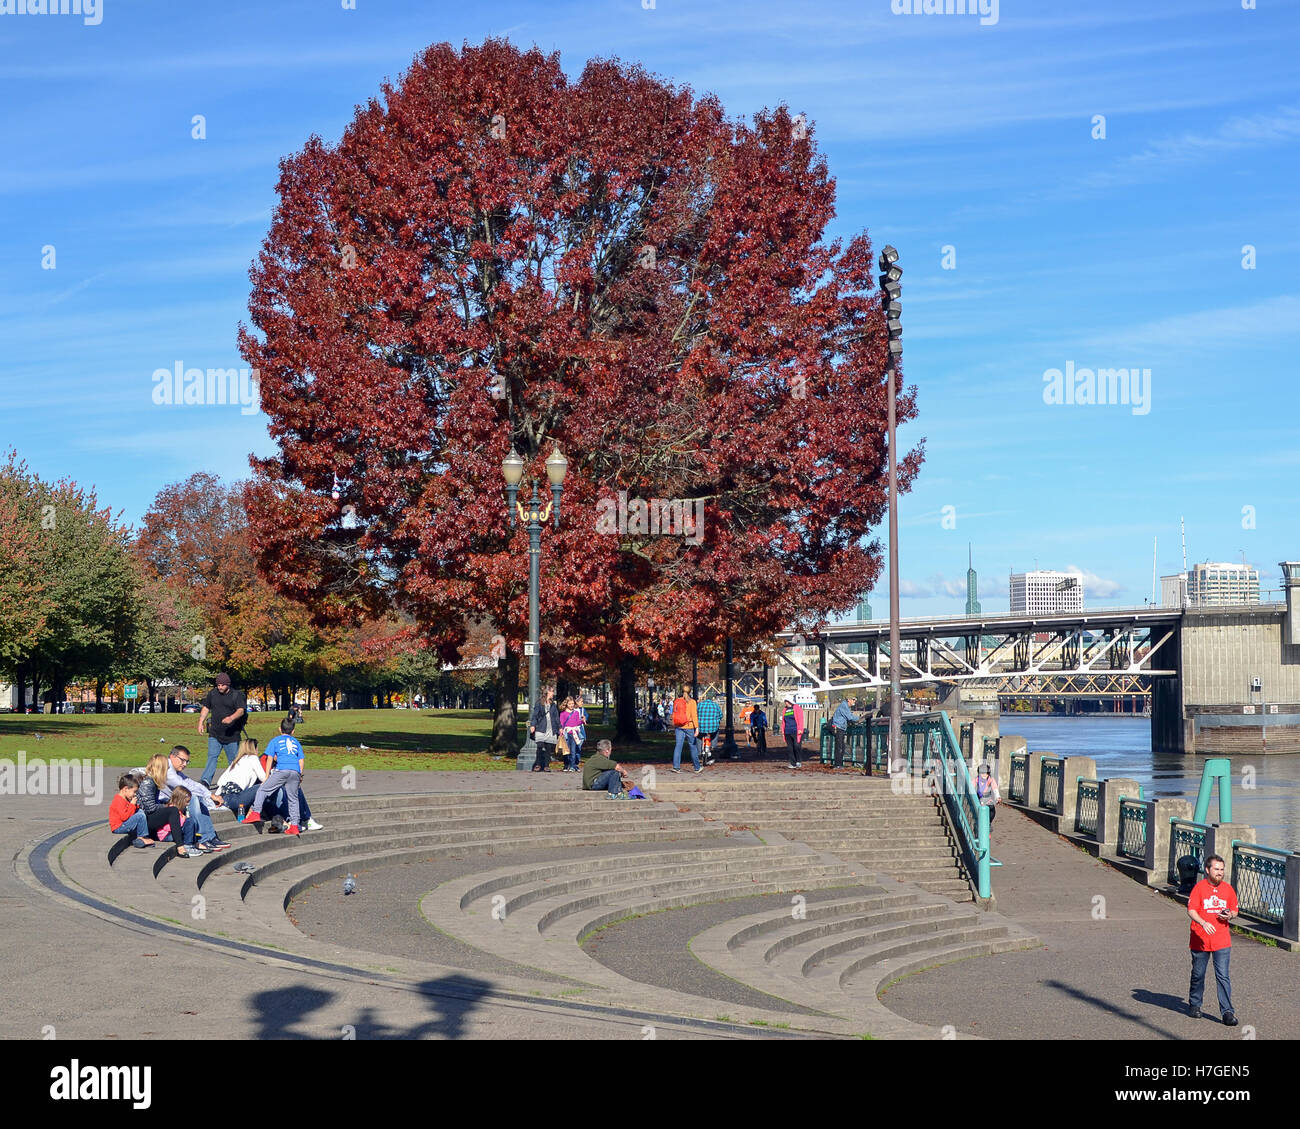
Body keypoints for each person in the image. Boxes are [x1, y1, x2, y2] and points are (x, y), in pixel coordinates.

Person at [1187, 854, 1239, 1025]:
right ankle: (1195, 1004)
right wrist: (1203, 922)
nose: (1220, 873)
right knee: (1198, 974)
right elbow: (1191, 910)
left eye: (1222, 869)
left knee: (1223, 976)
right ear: (1207, 870)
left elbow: (1235, 911)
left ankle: (1227, 1012)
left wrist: (1229, 915)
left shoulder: (1228, 889)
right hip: (1200, 939)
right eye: (1216, 869)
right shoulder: (1199, 888)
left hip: (1221, 940)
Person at [162, 744, 232, 851]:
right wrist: (209, 795)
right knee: (193, 797)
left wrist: (210, 795)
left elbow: (192, 783)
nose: (185, 764)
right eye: (182, 760)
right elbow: (184, 787)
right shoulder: (167, 770)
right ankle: (204, 838)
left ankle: (210, 837)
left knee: (199, 797)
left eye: (187, 761)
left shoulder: (176, 770)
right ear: (173, 756)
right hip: (163, 803)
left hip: (174, 801)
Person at [244, 718, 306, 835]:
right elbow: (301, 759)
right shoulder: (296, 742)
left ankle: (256, 812)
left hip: (281, 770)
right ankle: (294, 825)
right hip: (295, 771)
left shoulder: (275, 741)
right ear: (293, 731)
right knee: (293, 799)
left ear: (279, 729)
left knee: (263, 790)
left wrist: (267, 775)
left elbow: (270, 758)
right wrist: (300, 774)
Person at [136, 754, 200, 857]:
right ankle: (180, 846)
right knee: (173, 810)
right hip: (145, 820)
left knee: (177, 812)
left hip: (151, 815)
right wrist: (167, 806)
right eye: (167, 767)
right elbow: (150, 808)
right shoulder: (148, 782)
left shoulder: (154, 782)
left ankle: (187, 841)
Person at [198, 672, 247, 787]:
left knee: (233, 760)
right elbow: (206, 708)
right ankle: (205, 781)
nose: (220, 687)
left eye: (222, 685)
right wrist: (201, 722)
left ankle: (237, 781)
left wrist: (231, 718)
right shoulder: (213, 694)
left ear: (228, 685)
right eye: (218, 685)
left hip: (231, 734)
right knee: (212, 757)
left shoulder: (236, 695)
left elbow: (241, 710)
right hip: (215, 733)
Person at [108, 773, 155, 848]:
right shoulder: (119, 800)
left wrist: (135, 806)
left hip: (123, 824)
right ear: (126, 789)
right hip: (118, 827)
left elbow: (131, 812)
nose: (135, 794)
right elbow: (124, 817)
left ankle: (139, 837)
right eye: (134, 791)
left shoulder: (125, 798)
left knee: (140, 812)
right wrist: (132, 805)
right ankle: (141, 837)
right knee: (140, 815)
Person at [670, 684, 703, 775]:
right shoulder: (692, 702)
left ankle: (676, 767)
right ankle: (697, 767)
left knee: (678, 746)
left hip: (679, 726)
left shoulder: (677, 701)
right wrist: (697, 728)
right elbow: (694, 716)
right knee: (692, 746)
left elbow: (674, 713)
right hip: (689, 726)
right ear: (690, 692)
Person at [528, 685, 560, 772]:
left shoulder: (553, 704)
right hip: (541, 727)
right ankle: (538, 764)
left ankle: (546, 765)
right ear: (547, 692)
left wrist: (559, 727)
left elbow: (556, 717)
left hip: (550, 728)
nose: (553, 693)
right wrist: (533, 725)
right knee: (540, 746)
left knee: (548, 747)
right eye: (552, 691)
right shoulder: (539, 703)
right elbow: (535, 715)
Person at [829, 695, 859, 768]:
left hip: (840, 727)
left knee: (841, 746)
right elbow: (850, 717)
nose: (854, 701)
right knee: (839, 747)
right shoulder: (844, 706)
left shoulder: (845, 706)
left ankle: (839, 764)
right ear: (849, 699)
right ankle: (838, 764)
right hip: (838, 727)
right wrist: (860, 718)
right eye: (853, 699)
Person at [559, 696, 584, 773]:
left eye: (573, 704)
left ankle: (572, 765)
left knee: (573, 750)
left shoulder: (576, 713)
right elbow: (561, 723)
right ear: (566, 704)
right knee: (566, 750)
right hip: (566, 733)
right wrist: (561, 732)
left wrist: (582, 721)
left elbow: (577, 722)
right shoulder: (563, 713)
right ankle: (566, 764)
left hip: (574, 733)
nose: (572, 705)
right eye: (570, 704)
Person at [780, 696, 806, 769]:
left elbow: (800, 719)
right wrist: (782, 731)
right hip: (787, 731)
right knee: (790, 748)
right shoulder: (785, 709)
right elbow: (783, 721)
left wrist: (800, 729)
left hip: (796, 730)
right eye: (785, 701)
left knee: (797, 746)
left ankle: (798, 761)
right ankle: (792, 762)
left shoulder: (797, 708)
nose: (786, 703)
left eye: (787, 701)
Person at [697, 693, 722, 765]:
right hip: (713, 727)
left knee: (698, 737)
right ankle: (713, 746)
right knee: (715, 733)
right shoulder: (716, 705)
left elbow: (695, 714)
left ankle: (699, 753)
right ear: (712, 699)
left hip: (701, 726)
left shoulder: (699, 705)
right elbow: (720, 715)